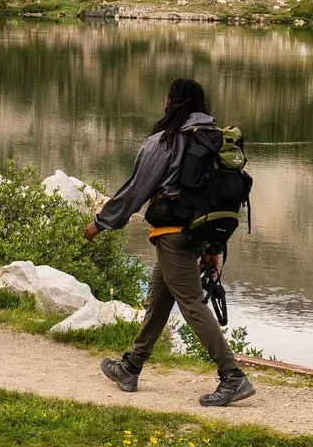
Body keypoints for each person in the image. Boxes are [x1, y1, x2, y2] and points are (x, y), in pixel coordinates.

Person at [85, 77, 255, 408]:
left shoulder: (166, 140)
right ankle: (131, 368)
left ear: (173, 102)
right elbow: (215, 198)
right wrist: (211, 249)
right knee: (159, 300)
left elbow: (135, 190)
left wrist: (100, 223)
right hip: (195, 233)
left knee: (191, 302)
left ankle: (232, 376)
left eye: (168, 97)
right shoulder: (212, 140)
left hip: (173, 234)